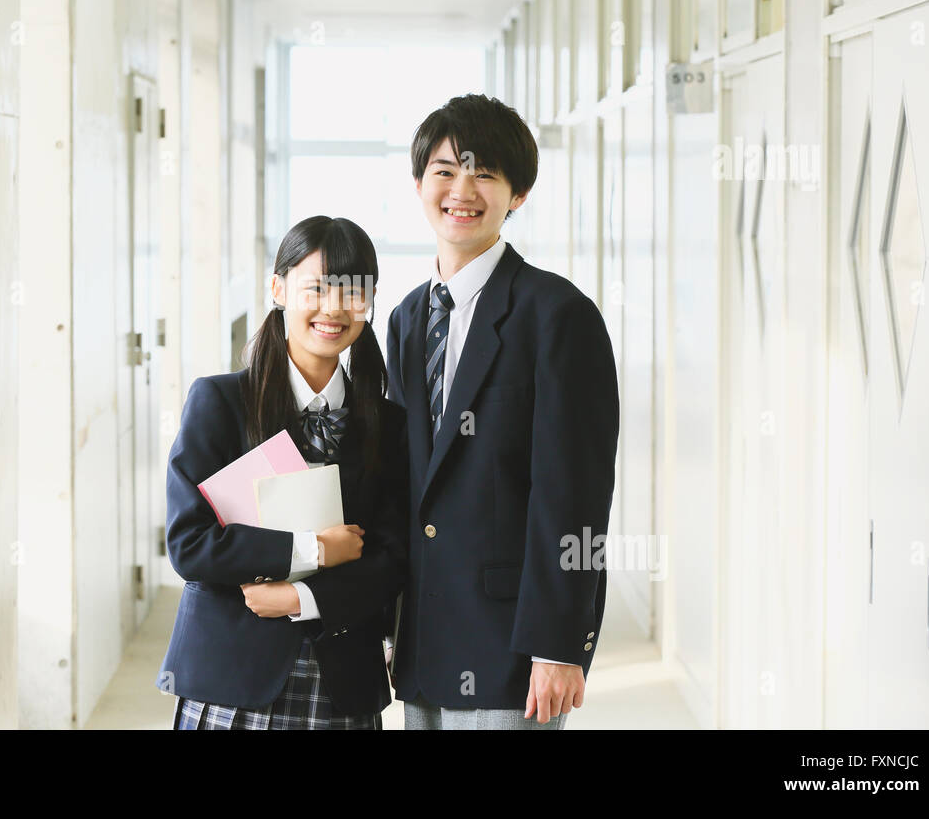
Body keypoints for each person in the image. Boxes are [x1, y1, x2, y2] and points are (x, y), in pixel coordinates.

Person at [385, 93, 620, 730]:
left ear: (516, 195)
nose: (462, 189)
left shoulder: (558, 315)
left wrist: (560, 645)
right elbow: (406, 485)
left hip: (514, 646)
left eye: (484, 172)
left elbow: (575, 495)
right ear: (418, 184)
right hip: (424, 643)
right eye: (444, 170)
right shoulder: (407, 320)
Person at [156, 215, 409, 729]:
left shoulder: (387, 424)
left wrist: (303, 596)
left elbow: (392, 556)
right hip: (231, 675)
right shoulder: (221, 403)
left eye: (352, 292)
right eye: (316, 288)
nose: (334, 308)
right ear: (277, 288)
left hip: (342, 680)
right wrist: (313, 549)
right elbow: (190, 544)